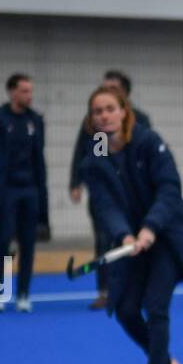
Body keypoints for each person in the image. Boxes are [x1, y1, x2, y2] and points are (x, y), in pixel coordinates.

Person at [83, 85, 183, 364]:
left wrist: (150, 227)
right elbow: (103, 205)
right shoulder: (95, 157)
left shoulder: (148, 141)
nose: (104, 115)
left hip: (168, 239)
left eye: (110, 108)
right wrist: (125, 234)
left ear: (124, 111)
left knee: (155, 306)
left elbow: (170, 188)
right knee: (126, 309)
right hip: (135, 244)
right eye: (97, 111)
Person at [70, 70, 153, 312]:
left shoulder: (142, 121)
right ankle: (105, 291)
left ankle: (140, 290)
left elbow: (147, 160)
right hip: (106, 196)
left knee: (136, 243)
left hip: (134, 196)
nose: (103, 111)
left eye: (113, 89)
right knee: (104, 240)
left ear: (125, 96)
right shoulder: (96, 126)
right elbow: (88, 158)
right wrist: (76, 182)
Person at [0, 73, 48, 313]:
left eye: (31, 91)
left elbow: (39, 157)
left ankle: (24, 294)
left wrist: (41, 191)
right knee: (3, 240)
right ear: (11, 92)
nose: (29, 95)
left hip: (30, 190)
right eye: (24, 91)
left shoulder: (35, 121)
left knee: (29, 243)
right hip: (6, 190)